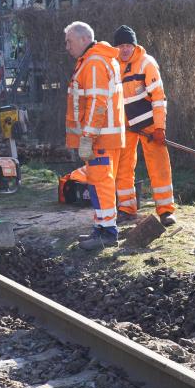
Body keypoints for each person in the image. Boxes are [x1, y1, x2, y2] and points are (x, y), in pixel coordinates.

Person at [63, 21, 125, 250]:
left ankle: (108, 232)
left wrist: (88, 136)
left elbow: (97, 104)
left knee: (101, 183)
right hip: (104, 136)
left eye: (69, 41)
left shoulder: (94, 62)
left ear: (82, 39)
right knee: (98, 183)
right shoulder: (95, 60)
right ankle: (101, 227)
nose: (66, 46)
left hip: (99, 138)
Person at [111, 25, 176, 227]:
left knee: (159, 166)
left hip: (149, 125)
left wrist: (159, 129)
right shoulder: (112, 66)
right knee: (123, 167)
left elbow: (158, 98)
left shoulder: (147, 64)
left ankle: (165, 211)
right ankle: (126, 209)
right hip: (126, 127)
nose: (124, 49)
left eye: (128, 45)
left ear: (134, 45)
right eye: (121, 46)